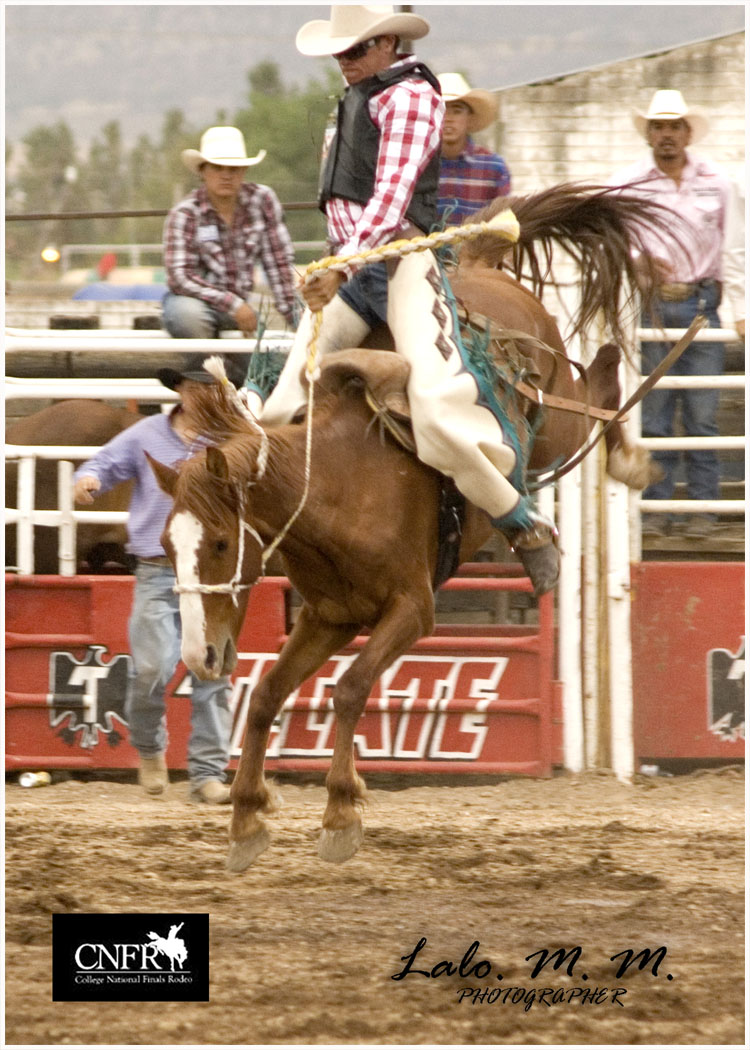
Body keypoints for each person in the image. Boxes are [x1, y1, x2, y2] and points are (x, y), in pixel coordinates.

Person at [259, 4, 559, 598]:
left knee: (433, 410)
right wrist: (333, 267)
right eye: (339, 54)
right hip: (353, 269)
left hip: (401, 266)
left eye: (355, 51)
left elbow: (393, 199)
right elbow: (347, 202)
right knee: (275, 410)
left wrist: (338, 271)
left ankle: (521, 522)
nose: (344, 63)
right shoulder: (357, 98)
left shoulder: (410, 98)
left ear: (388, 44)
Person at [72, 354, 250, 803]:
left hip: (210, 574)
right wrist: (89, 478)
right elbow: (102, 463)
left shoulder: (235, 440)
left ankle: (208, 774)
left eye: (211, 389)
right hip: (157, 569)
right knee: (152, 668)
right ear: (180, 390)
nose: (202, 395)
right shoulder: (147, 434)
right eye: (195, 387)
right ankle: (151, 748)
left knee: (213, 671)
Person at [611, 89, 745, 539]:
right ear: (649, 134)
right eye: (659, 127)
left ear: (688, 133)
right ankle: (659, 510)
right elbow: (615, 237)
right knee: (656, 415)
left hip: (703, 303)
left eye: (674, 127)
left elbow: (736, 248)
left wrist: (739, 309)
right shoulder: (629, 184)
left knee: (703, 414)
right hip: (653, 304)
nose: (667, 135)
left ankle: (703, 510)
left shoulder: (718, 182)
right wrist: (636, 260)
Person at [162, 125, 297, 339]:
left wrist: (296, 318)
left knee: (272, 360)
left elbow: (278, 265)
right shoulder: (185, 213)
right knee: (188, 316)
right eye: (217, 168)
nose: (226, 175)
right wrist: (234, 305)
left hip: (239, 310)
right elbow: (180, 277)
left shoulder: (262, 201)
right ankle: (204, 372)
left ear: (243, 171)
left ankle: (213, 369)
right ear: (203, 171)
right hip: (196, 304)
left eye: (233, 168)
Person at [437, 72, 511, 223]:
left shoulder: (494, 168)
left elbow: (502, 225)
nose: (448, 118)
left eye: (457, 111)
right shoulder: (418, 165)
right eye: (442, 110)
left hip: (476, 245)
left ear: (469, 118)